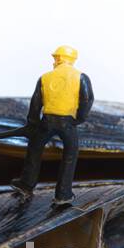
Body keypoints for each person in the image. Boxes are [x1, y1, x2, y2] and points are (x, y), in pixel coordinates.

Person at [10, 45, 94, 205]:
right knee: (70, 154)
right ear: (73, 60)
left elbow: (35, 102)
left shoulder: (45, 77)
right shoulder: (81, 77)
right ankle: (63, 194)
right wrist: (80, 118)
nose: (54, 61)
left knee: (34, 149)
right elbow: (87, 99)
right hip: (68, 123)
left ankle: (26, 184)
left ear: (60, 59)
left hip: (46, 122)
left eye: (55, 58)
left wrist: (32, 123)